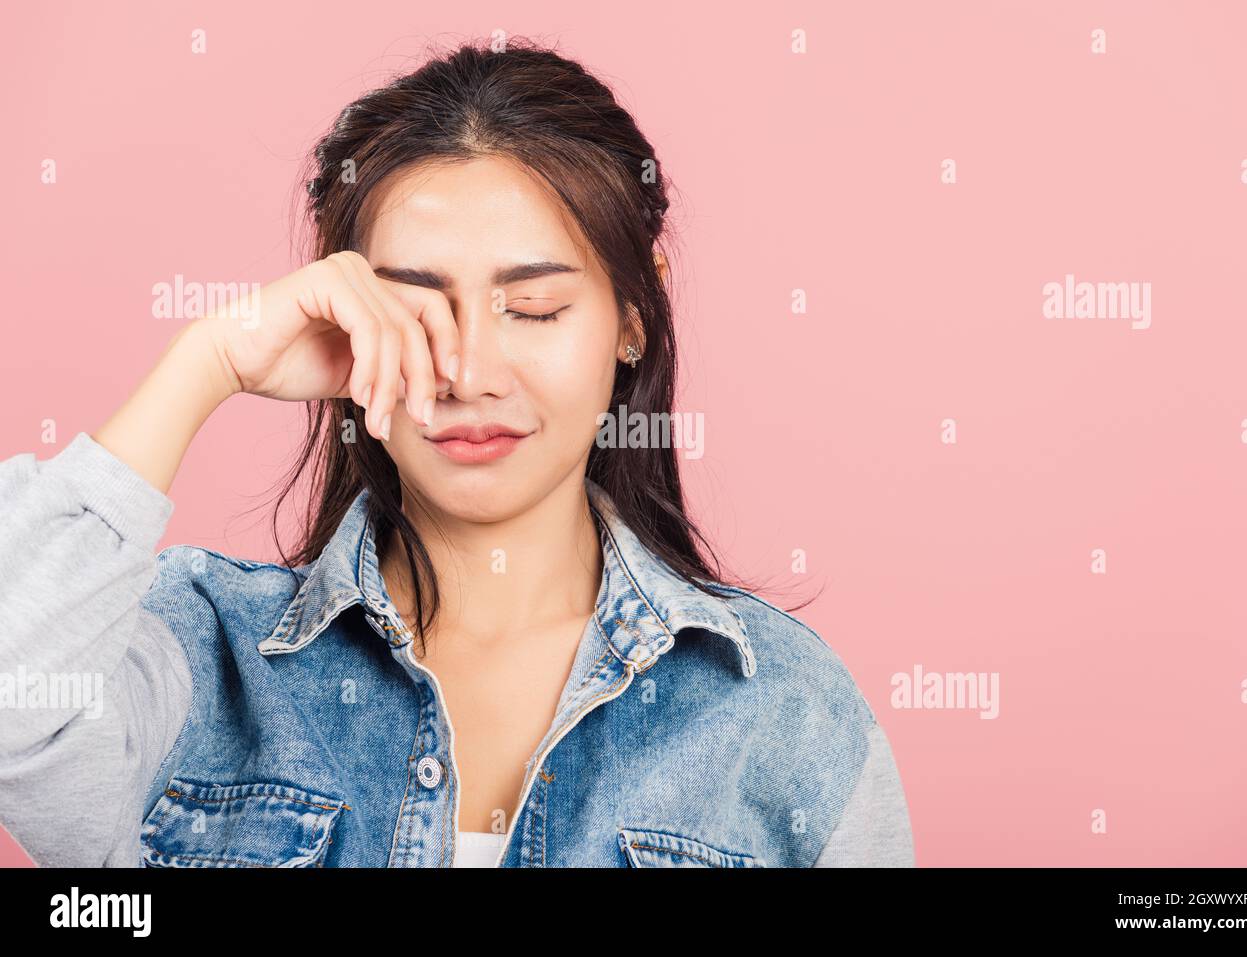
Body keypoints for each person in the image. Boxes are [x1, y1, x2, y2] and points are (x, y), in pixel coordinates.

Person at [0, 39, 914, 868]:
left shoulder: (787, 716)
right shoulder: (200, 657)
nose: (469, 373)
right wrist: (209, 361)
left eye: (536, 309)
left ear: (633, 316)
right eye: (414, 311)